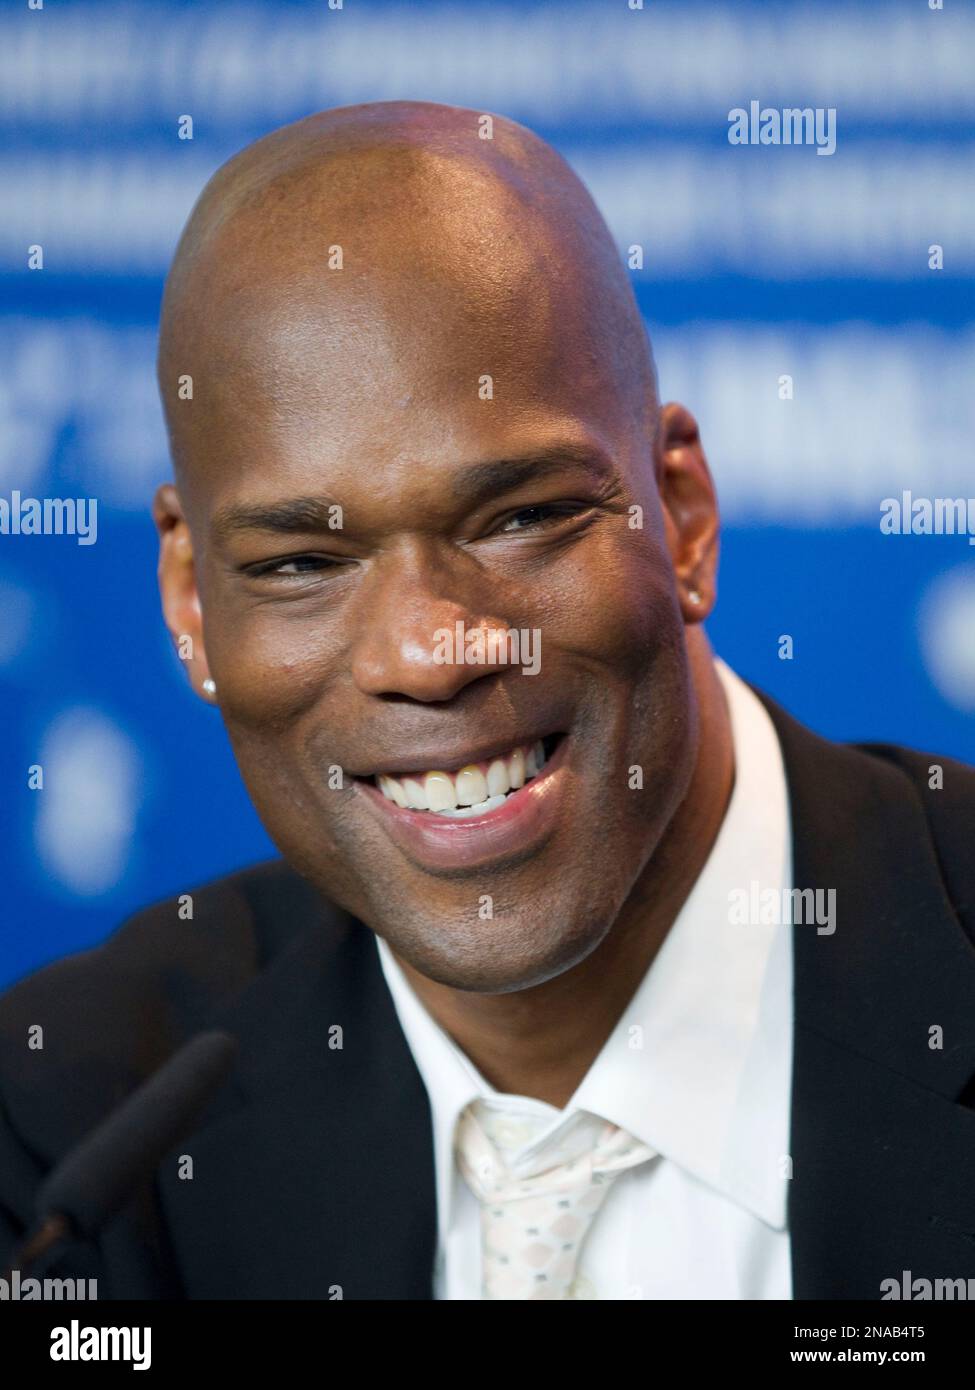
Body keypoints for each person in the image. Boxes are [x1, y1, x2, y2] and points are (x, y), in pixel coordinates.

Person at [2, 101, 974, 1302]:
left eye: (519, 518)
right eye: (300, 562)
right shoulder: (73, 1134)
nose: (430, 651)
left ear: (682, 517)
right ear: (191, 603)